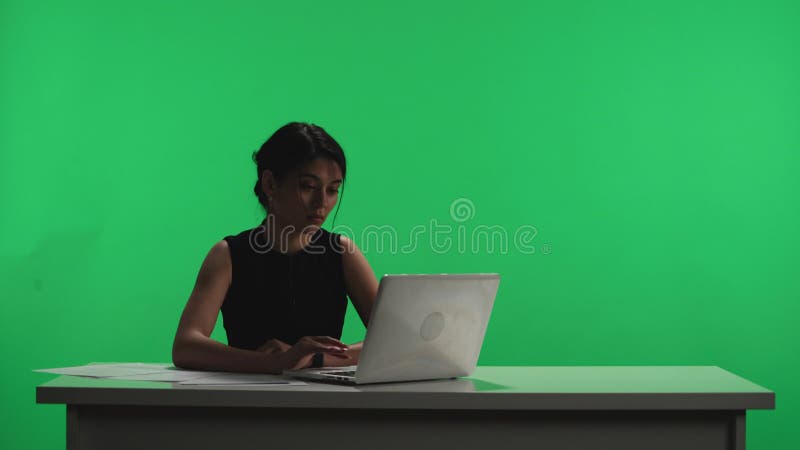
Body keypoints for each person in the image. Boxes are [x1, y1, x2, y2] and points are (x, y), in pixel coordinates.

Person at [172, 122, 378, 374]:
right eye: (308, 187)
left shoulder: (343, 252)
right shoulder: (228, 254)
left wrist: (313, 358)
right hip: (247, 403)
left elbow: (397, 340)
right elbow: (186, 345)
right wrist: (275, 363)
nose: (322, 202)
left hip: (326, 403)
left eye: (333, 190)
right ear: (270, 184)